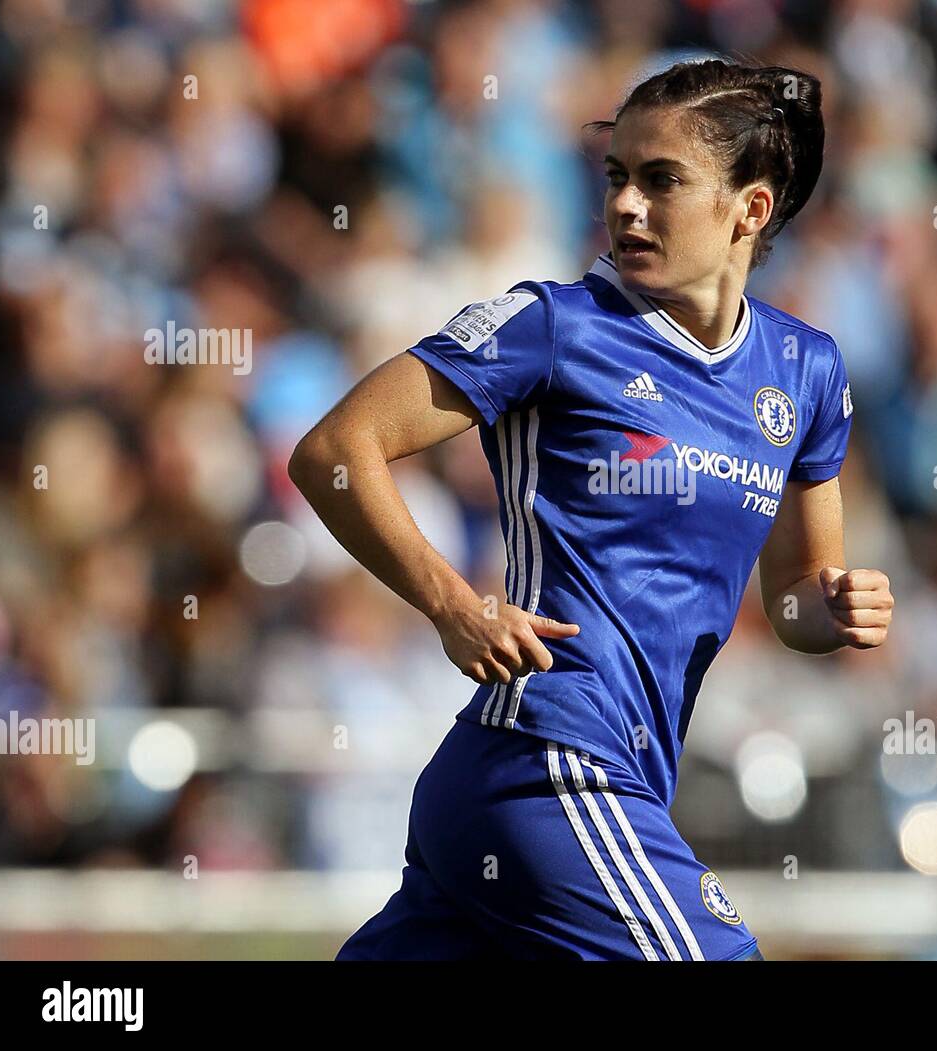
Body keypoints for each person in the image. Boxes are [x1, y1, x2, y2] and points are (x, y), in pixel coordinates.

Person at [289, 59, 894, 961]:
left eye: (661, 180)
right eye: (617, 176)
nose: (626, 206)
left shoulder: (805, 372)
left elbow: (794, 603)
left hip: (581, 789)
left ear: (751, 209)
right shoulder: (551, 325)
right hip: (547, 760)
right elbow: (336, 451)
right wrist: (453, 604)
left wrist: (836, 607)